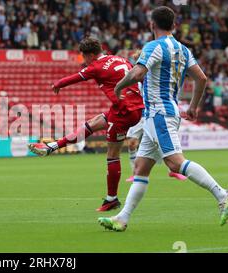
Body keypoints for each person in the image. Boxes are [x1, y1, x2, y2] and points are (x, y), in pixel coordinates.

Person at [98, 6, 228, 232]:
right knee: (141, 168)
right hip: (158, 114)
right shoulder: (183, 49)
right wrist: (193, 106)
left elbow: (138, 73)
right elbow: (201, 78)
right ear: (173, 25)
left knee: (175, 162)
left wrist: (120, 86)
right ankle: (122, 219)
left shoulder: (153, 46)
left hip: (160, 114)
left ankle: (223, 194)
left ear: (152, 25)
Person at [28, 37, 144, 212]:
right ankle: (51, 146)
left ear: (90, 55)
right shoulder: (118, 58)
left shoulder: (96, 66)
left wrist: (58, 84)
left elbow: (77, 77)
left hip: (124, 111)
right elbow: (138, 75)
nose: (84, 61)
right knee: (91, 124)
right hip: (130, 106)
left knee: (112, 154)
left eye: (84, 57)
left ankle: (111, 199)